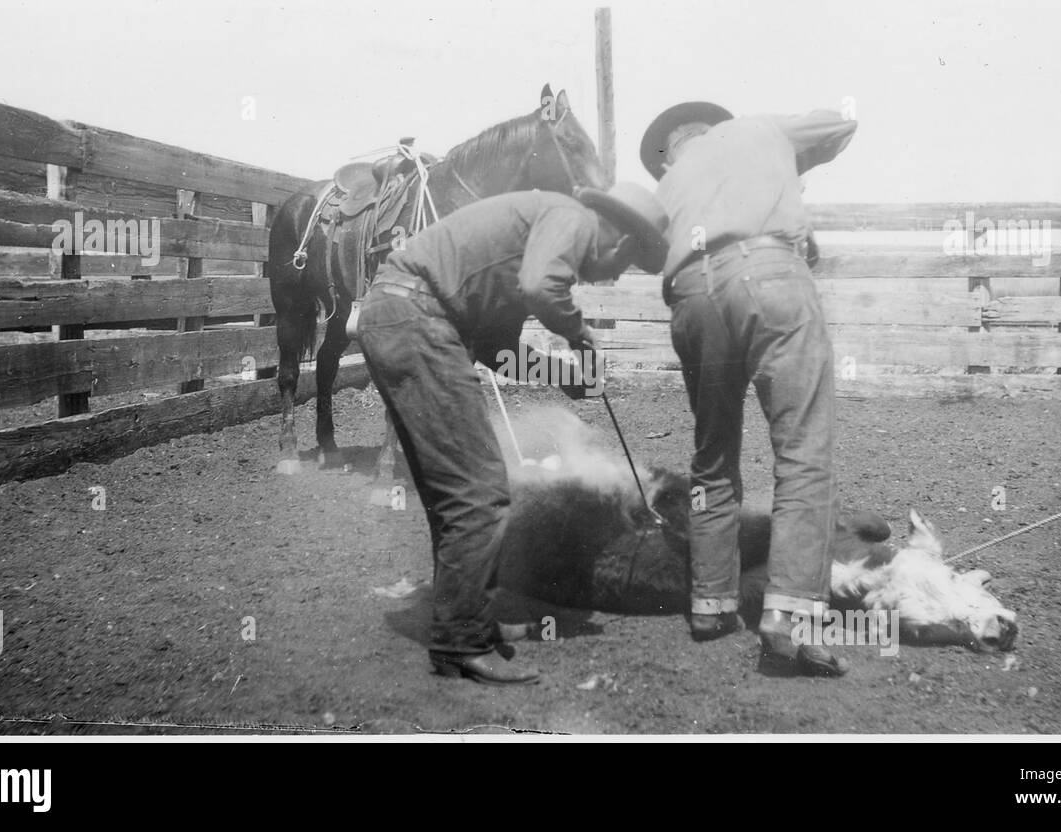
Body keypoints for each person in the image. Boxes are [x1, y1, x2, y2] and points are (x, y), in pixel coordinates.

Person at [356, 184, 669, 685]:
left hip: (399, 317)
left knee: (455, 492)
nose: (611, 276)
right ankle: (460, 640)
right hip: (417, 321)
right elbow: (544, 289)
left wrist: (566, 377)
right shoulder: (572, 217)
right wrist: (579, 335)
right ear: (622, 241)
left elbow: (497, 350)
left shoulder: (532, 238)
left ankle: (468, 621)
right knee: (480, 492)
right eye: (625, 265)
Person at [640, 101, 857, 675]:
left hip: (690, 300)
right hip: (769, 276)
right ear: (710, 128)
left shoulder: (667, 187)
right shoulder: (758, 129)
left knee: (712, 456)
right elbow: (841, 123)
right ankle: (789, 623)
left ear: (668, 152)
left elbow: (645, 253)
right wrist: (782, 162)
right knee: (803, 452)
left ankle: (711, 605)